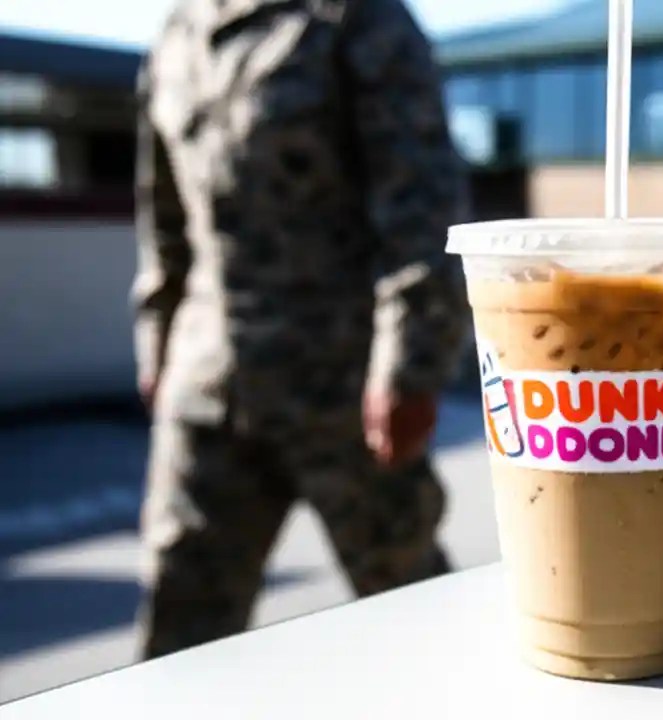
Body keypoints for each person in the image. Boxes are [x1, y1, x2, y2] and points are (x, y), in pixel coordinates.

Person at [130, 0, 470, 660]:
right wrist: (157, 342)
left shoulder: (355, 19)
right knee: (181, 628)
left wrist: (412, 364)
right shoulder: (179, 35)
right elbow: (163, 219)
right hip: (208, 389)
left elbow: (421, 203)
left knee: (413, 614)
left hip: (343, 387)